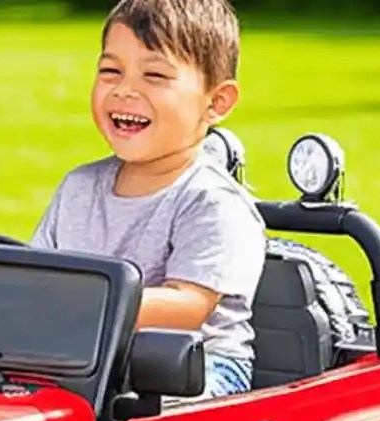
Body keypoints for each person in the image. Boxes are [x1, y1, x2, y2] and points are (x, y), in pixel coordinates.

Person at [29, 0, 267, 398]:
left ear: (216, 102)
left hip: (196, 369)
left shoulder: (212, 203)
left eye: (154, 75)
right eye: (111, 71)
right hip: (89, 358)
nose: (125, 90)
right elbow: (38, 277)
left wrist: (88, 302)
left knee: (128, 411)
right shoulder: (78, 188)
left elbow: (188, 306)